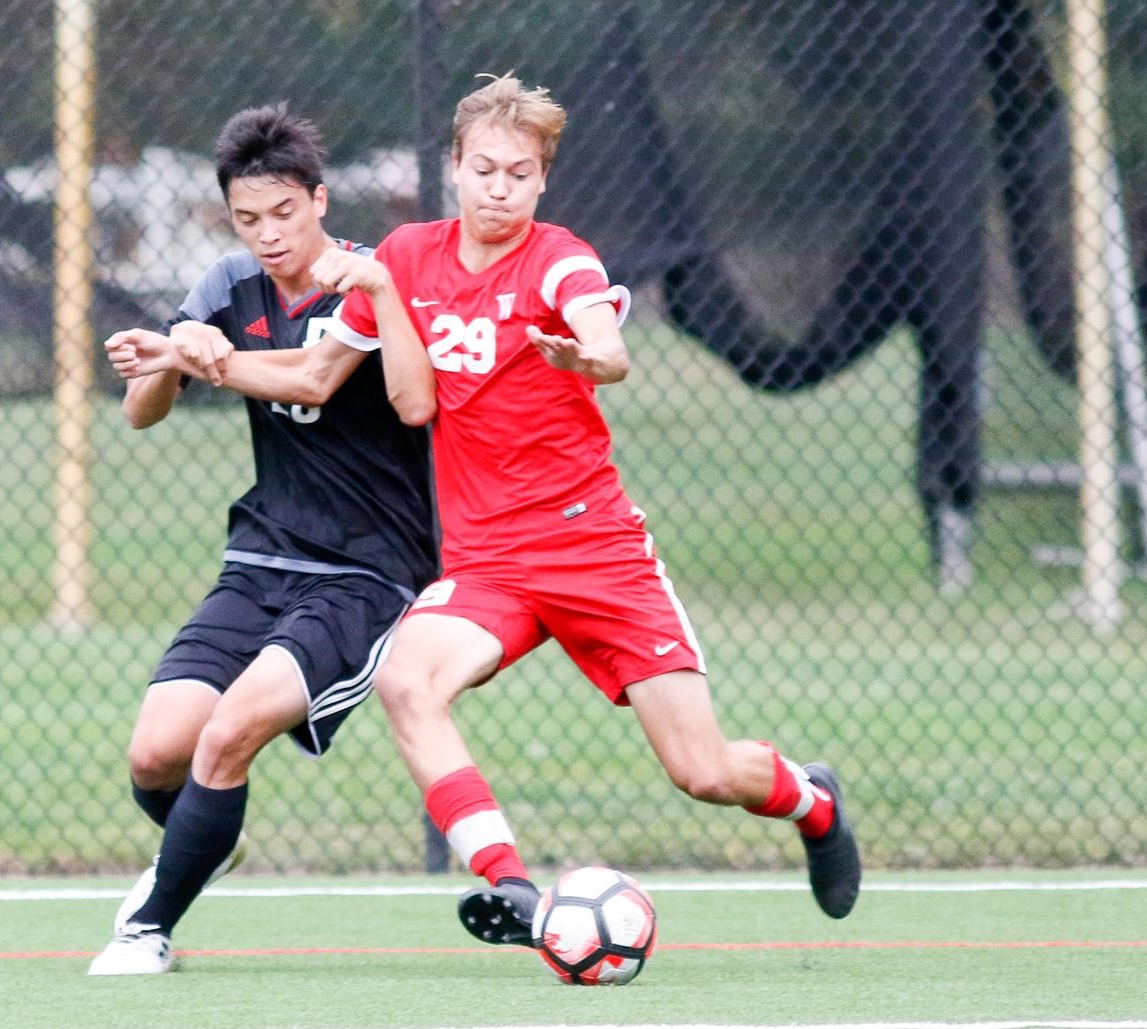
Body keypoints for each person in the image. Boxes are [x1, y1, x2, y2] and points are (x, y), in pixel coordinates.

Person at [316, 73, 863, 944]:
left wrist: (589, 353)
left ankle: (813, 800)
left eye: (521, 173)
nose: (501, 187)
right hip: (489, 563)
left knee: (704, 770)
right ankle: (511, 886)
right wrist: (207, 359)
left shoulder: (560, 257)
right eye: (485, 168)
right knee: (407, 681)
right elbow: (325, 379)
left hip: (595, 553)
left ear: (543, 181)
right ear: (453, 166)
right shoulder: (408, 259)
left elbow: (605, 340)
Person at [85, 104, 438, 975]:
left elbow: (315, 381)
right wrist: (173, 355)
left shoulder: (367, 280)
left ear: (319, 199)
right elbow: (140, 413)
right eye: (249, 219)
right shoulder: (228, 285)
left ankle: (146, 929)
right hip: (263, 555)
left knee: (230, 730)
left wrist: (201, 357)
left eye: (286, 213)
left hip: (367, 569)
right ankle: (205, 840)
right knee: (159, 751)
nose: (270, 235)